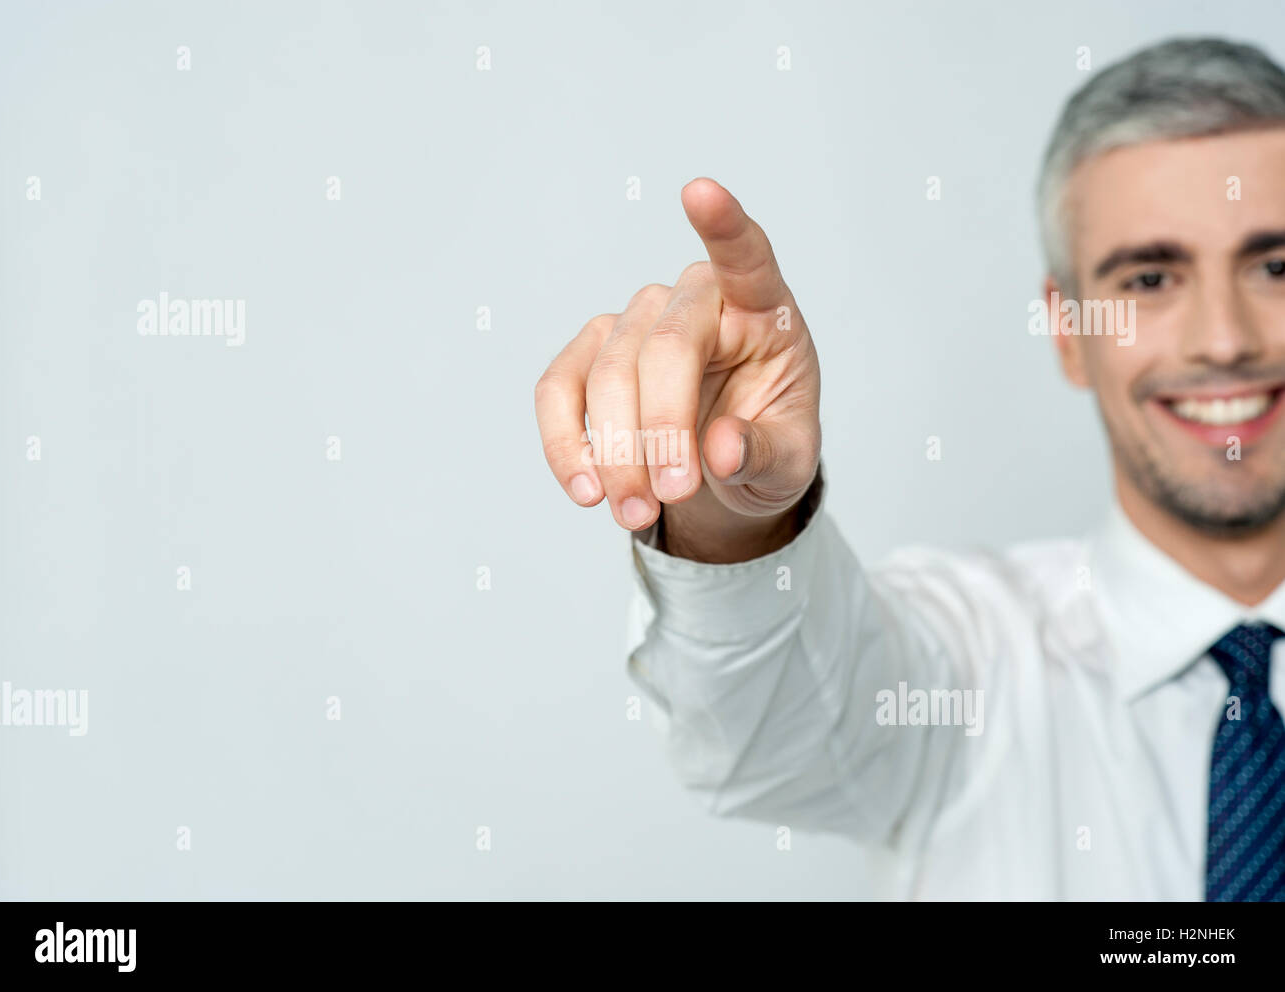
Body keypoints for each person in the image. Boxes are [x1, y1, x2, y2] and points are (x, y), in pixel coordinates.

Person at [533, 37, 1285, 899]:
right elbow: (774, 725)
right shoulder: (965, 669)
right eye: (1150, 279)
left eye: (1275, 266)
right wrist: (726, 503)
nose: (1226, 340)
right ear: (1069, 330)